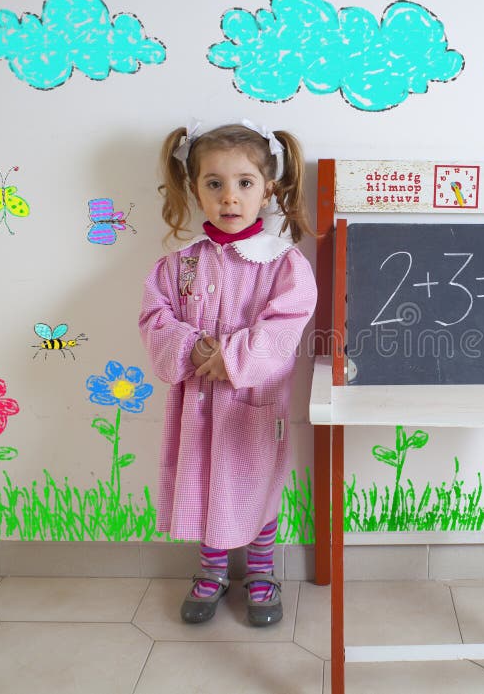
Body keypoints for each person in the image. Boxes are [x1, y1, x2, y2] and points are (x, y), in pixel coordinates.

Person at [139, 120, 317, 626]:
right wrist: (193, 349)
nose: (229, 197)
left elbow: (287, 322)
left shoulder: (282, 262)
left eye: (244, 183)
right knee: (202, 481)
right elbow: (155, 316)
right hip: (196, 402)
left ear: (268, 190)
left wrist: (234, 356)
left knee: (257, 481)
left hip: (254, 404)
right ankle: (211, 570)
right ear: (194, 189)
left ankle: (261, 570)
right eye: (214, 183)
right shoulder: (181, 262)